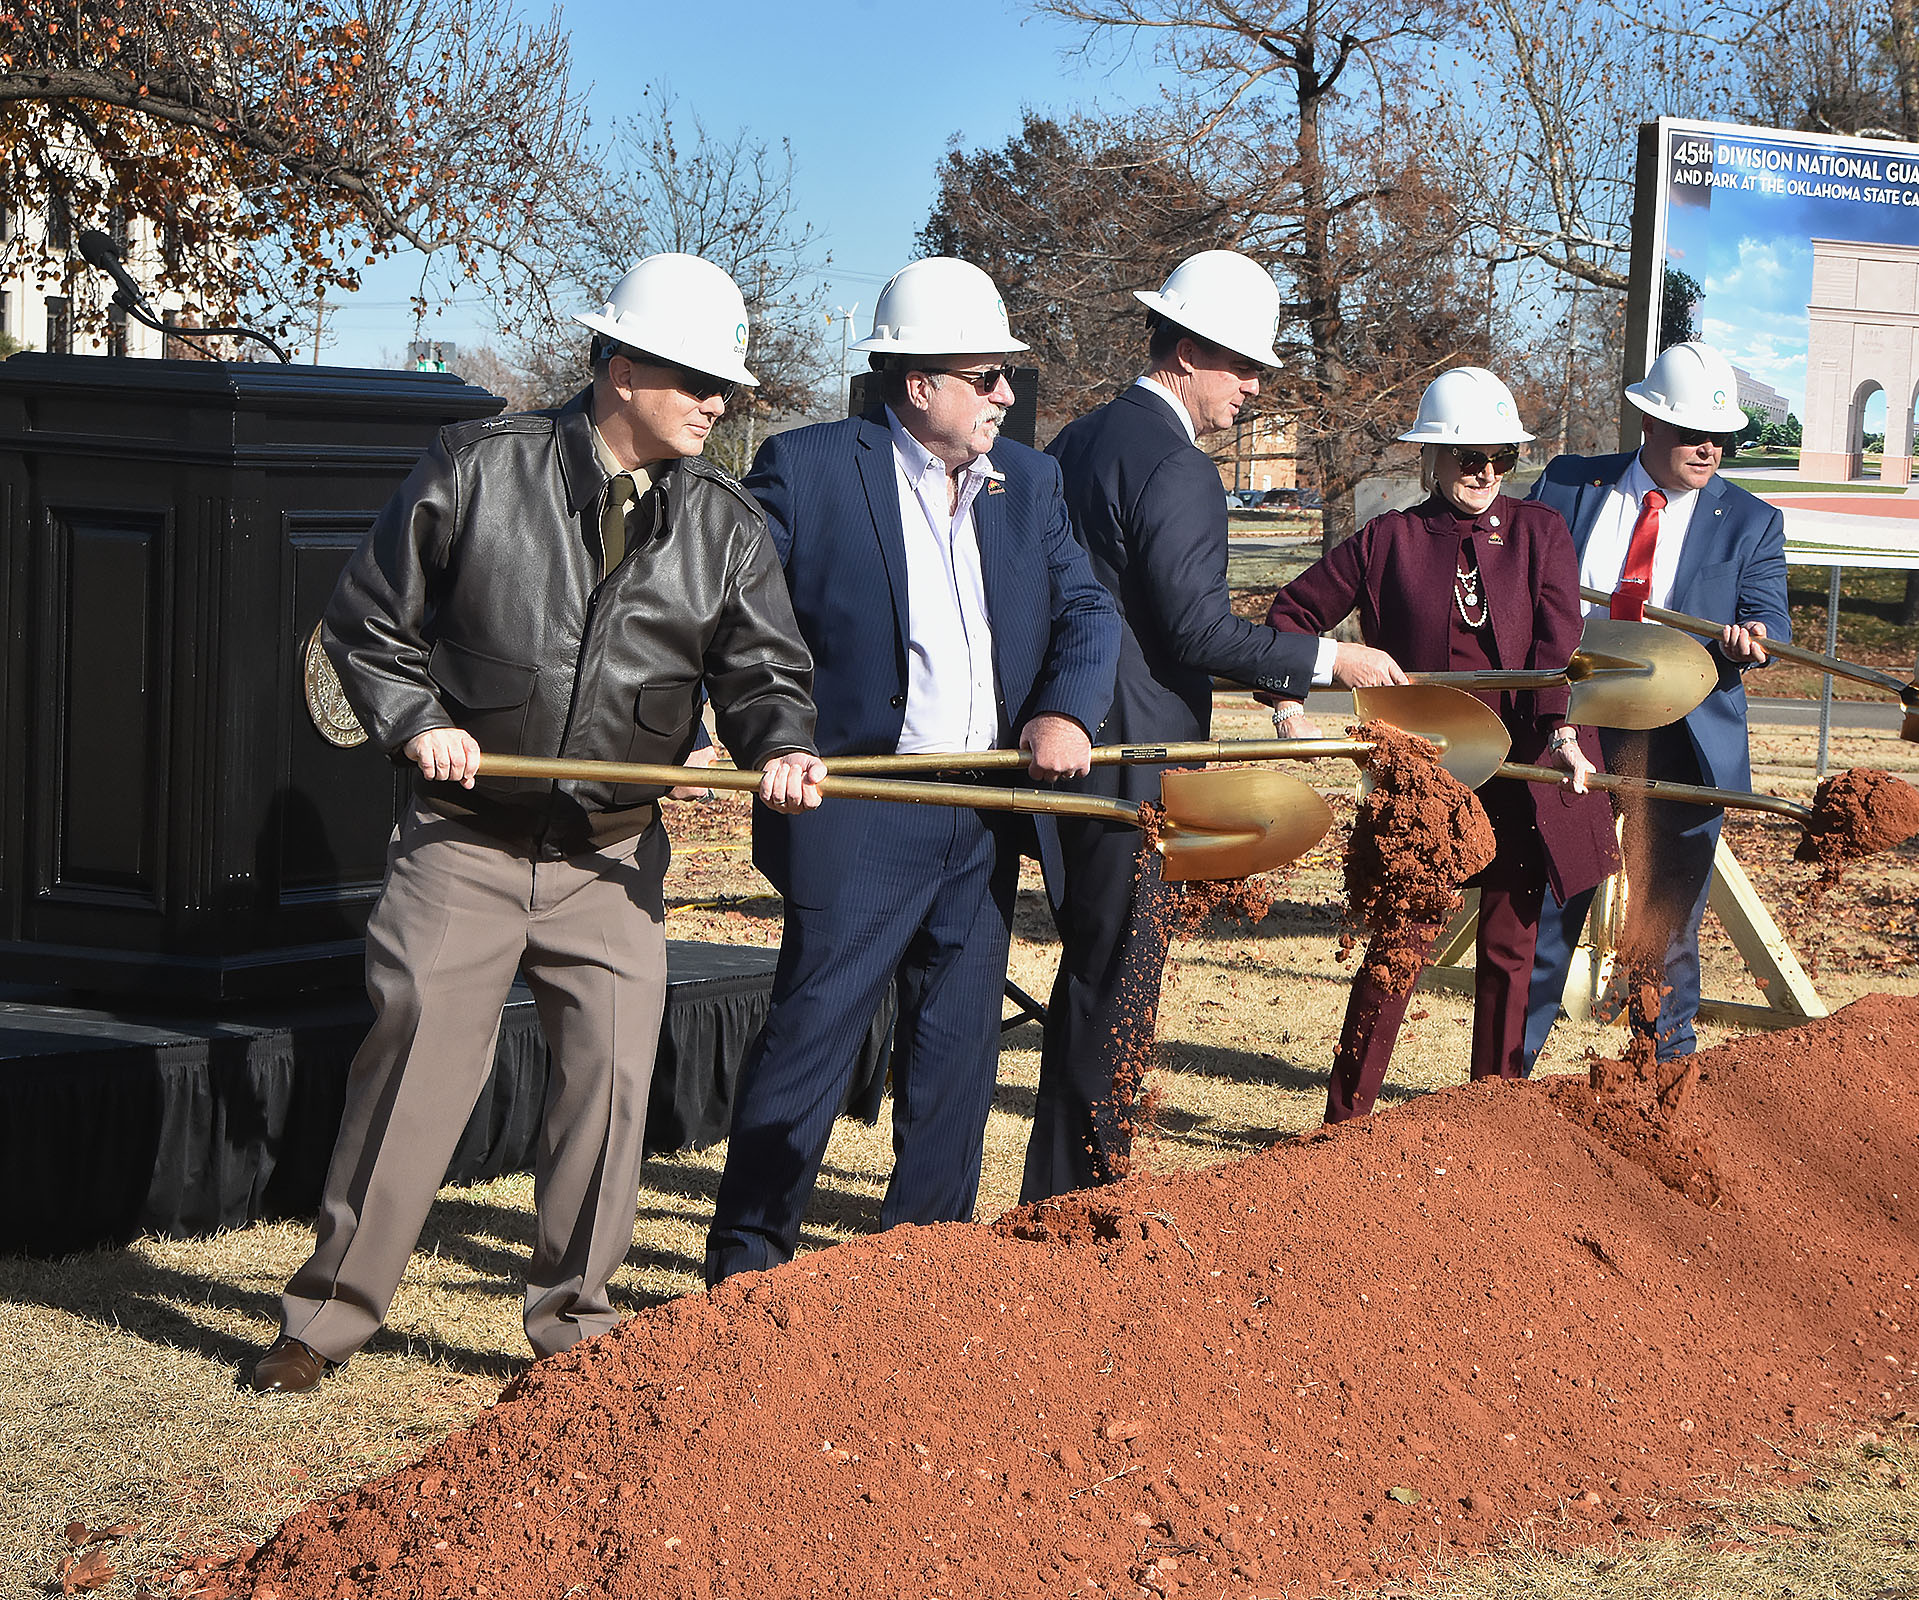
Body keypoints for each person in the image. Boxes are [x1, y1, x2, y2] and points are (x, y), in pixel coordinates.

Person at [251, 254, 825, 1393]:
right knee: (413, 1068)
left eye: (726, 382)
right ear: (619, 369)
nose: (720, 400)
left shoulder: (726, 524)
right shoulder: (476, 468)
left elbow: (763, 671)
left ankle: (575, 1326)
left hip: (611, 861)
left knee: (611, 1088)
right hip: (460, 843)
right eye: (698, 377)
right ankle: (322, 1322)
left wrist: (782, 744)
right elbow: (366, 628)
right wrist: (415, 721)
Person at [703, 258, 1118, 1283]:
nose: (1007, 396)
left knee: (959, 1051)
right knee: (812, 1037)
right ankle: (743, 1276)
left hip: (981, 813)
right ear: (919, 382)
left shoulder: (1035, 485)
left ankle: (920, 1277)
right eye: (988, 376)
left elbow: (1088, 609)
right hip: (860, 806)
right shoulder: (808, 470)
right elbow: (741, 619)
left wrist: (1067, 706)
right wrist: (774, 735)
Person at [1023, 248, 1408, 1202]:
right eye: (1243, 365)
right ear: (1187, 350)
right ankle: (1080, 1199)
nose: (1254, 387)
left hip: (1067, 743)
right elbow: (1197, 629)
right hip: (1137, 757)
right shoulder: (1179, 468)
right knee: (1117, 992)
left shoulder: (1077, 441)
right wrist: (1332, 660)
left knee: (1090, 980)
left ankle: (1059, 1191)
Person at [1262, 368, 1617, 1120]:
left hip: (1525, 767)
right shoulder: (1386, 540)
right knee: (1400, 947)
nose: (1484, 471)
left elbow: (1560, 644)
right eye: (1466, 456)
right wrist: (1289, 706)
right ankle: (1344, 1121)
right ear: (1432, 459)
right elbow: (1290, 616)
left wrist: (1565, 735)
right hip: (1425, 777)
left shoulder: (1541, 532)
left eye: (1499, 455)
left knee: (1510, 952)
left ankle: (1494, 1118)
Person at [1520, 340, 1790, 1069]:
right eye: (1693, 434)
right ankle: (1505, 1078)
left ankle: (1661, 1074)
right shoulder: (1569, 485)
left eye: (1721, 437)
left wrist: (1753, 637)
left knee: (1665, 922)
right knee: (1551, 900)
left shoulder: (1752, 522)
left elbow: (1771, 617)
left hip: (1684, 737)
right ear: (1648, 424)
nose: (1709, 448)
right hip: (1577, 726)